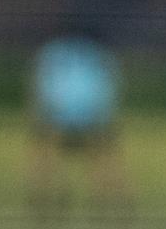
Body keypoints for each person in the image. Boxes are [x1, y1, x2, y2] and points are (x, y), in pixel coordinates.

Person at [26, 34, 131, 219]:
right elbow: (109, 86)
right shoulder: (99, 53)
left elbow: (42, 86)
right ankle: (114, 199)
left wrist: (42, 115)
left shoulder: (53, 51)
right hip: (92, 113)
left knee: (45, 152)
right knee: (103, 157)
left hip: (59, 113)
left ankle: (45, 196)